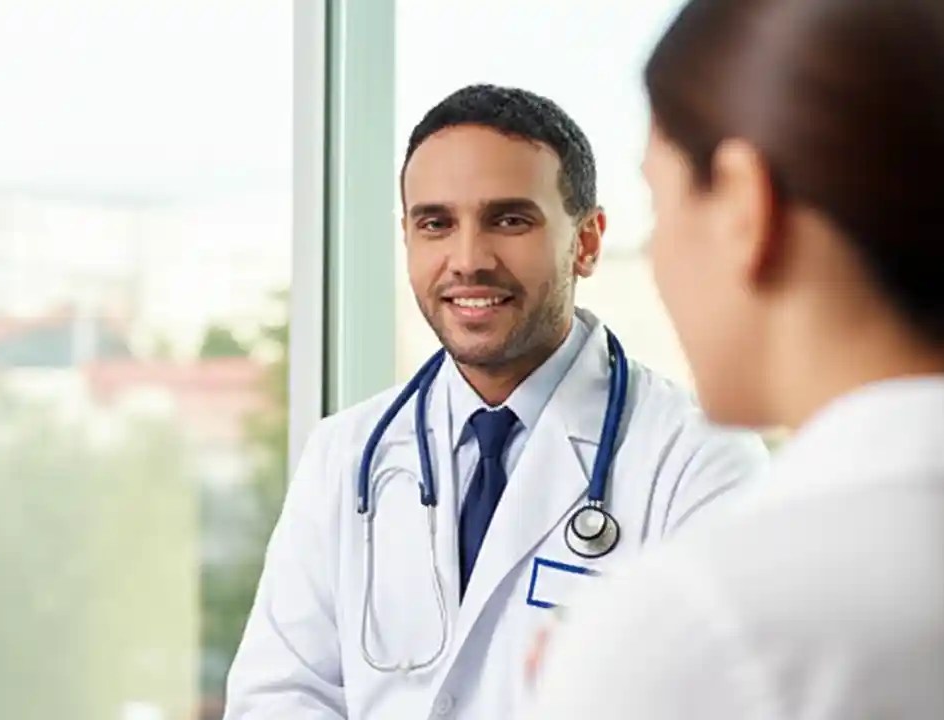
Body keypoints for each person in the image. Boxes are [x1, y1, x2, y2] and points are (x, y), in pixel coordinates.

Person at [223, 84, 769, 719]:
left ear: (587, 241)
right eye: (436, 224)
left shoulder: (698, 461)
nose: (468, 260)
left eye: (509, 220)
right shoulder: (346, 454)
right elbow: (280, 696)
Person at [528, 0, 944, 717]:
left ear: (744, 206)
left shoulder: (695, 628)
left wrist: (607, 669)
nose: (656, 254)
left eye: (660, 205)